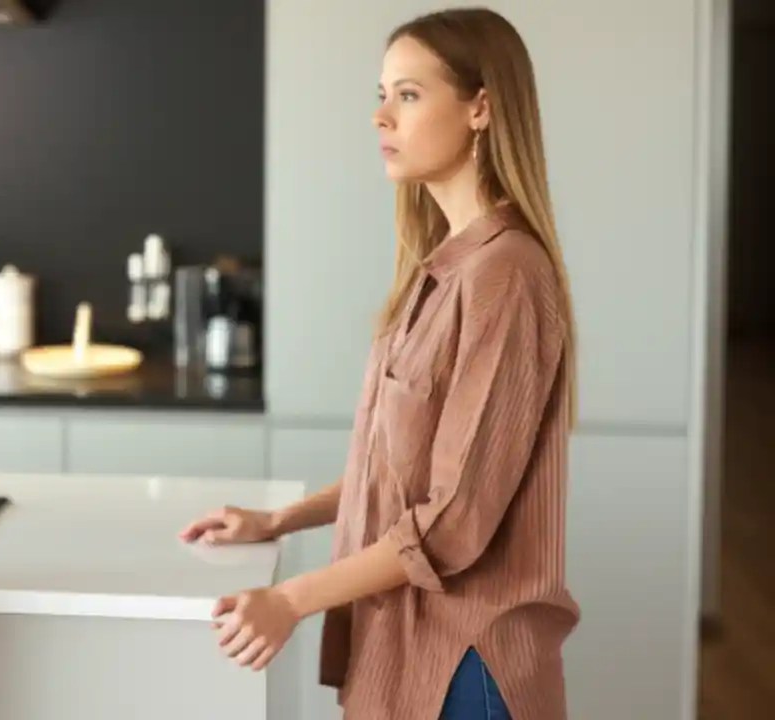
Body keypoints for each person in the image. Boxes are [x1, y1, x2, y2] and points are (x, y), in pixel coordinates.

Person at [180, 8, 580, 720]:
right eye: (381, 93)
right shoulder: (440, 273)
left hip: (466, 672)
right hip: (404, 650)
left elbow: (453, 521)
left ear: (481, 108)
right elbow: (403, 475)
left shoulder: (505, 276)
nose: (380, 116)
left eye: (409, 94)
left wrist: (290, 600)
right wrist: (280, 520)